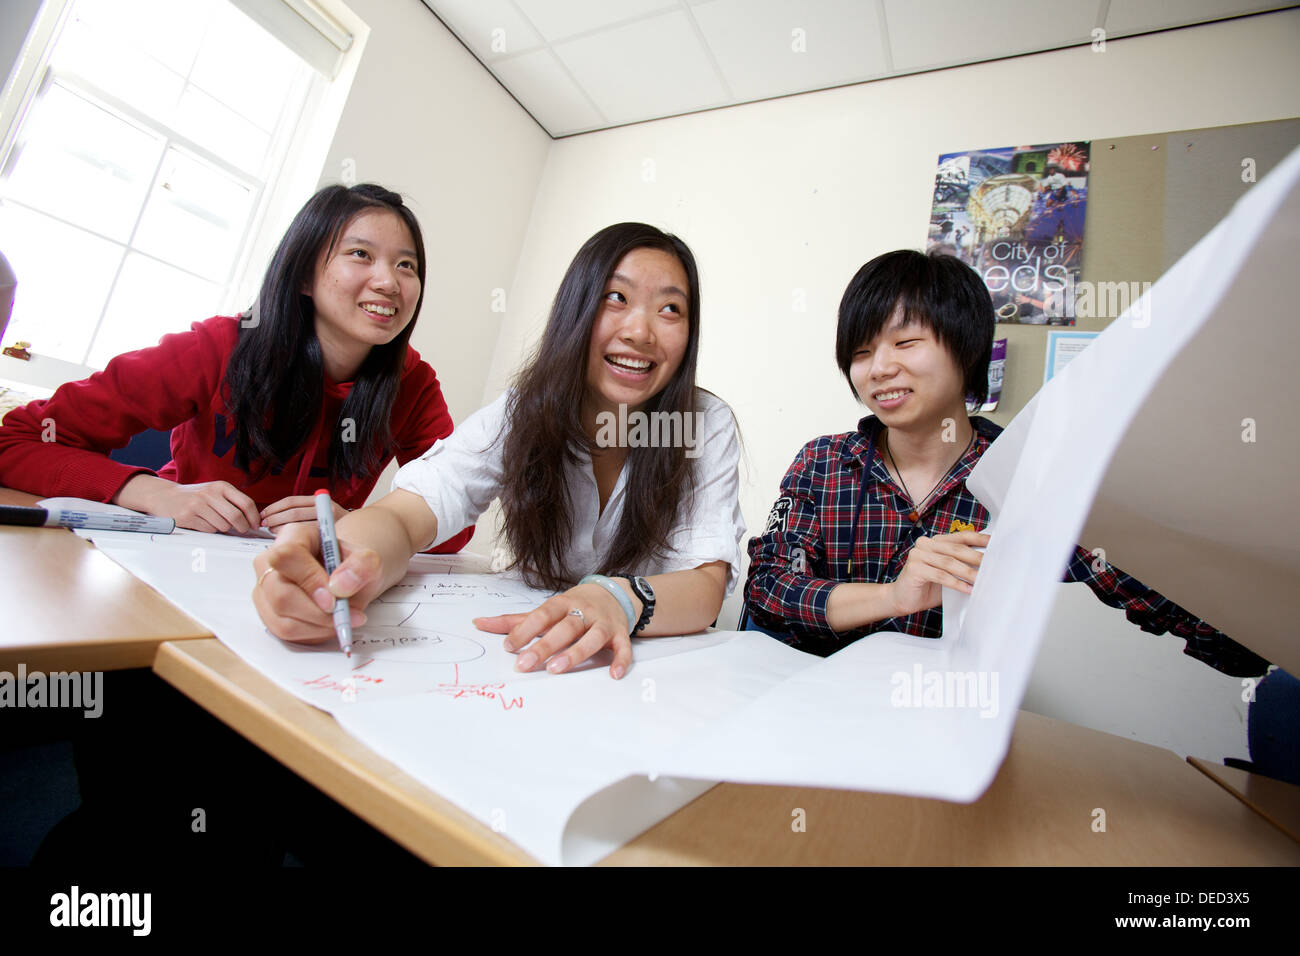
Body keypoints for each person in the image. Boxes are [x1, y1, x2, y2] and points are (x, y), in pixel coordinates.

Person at [744, 249, 1268, 678]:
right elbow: (768, 589)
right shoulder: (826, 461)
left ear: (967, 351)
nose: (880, 368)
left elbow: (1226, 639)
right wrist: (895, 596)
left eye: (906, 342)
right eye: (861, 352)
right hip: (808, 705)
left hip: (938, 728)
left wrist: (1247, 598)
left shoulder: (1029, 477)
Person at [254, 222, 745, 680]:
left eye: (670, 309)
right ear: (575, 310)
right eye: (615, 297)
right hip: (524, 667)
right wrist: (346, 565)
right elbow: (408, 514)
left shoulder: (700, 424)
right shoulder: (523, 411)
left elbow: (703, 588)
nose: (641, 332)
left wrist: (617, 597)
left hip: (640, 674)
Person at [0, 183, 471, 548]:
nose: (389, 281)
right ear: (304, 273)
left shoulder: (413, 385)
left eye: (407, 265)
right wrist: (150, 493)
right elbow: (15, 441)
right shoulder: (219, 346)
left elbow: (454, 523)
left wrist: (370, 527)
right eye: (360, 254)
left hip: (304, 585)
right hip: (175, 561)